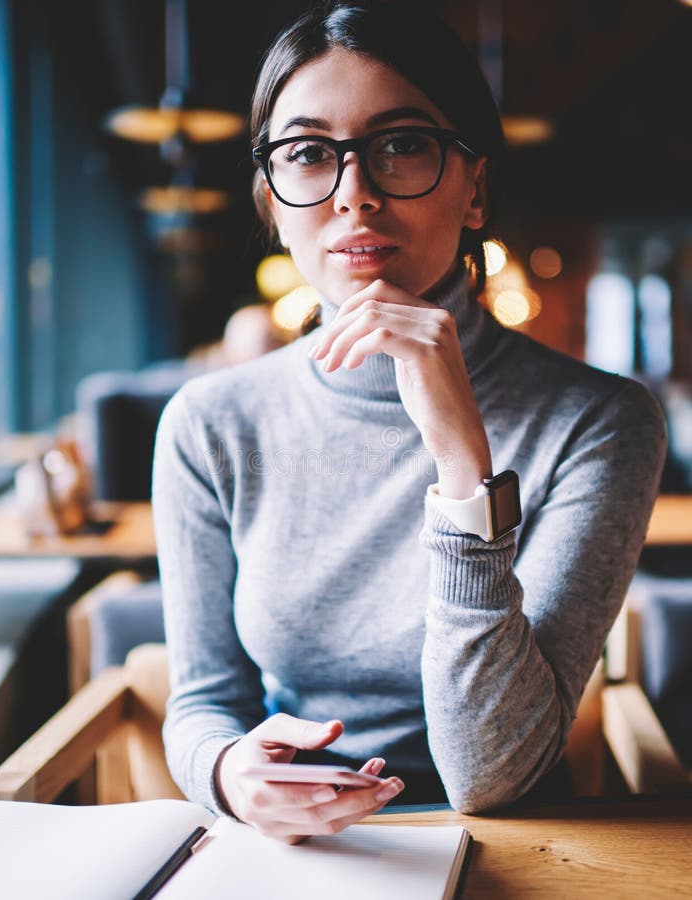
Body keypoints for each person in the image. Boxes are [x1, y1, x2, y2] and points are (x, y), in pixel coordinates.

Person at [152, 0, 666, 843]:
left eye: (401, 145)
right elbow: (204, 699)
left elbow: (488, 775)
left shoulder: (600, 422)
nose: (355, 195)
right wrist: (226, 769)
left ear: (475, 188)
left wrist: (464, 468)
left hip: (522, 851)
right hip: (301, 855)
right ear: (274, 204)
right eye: (310, 154)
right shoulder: (211, 422)